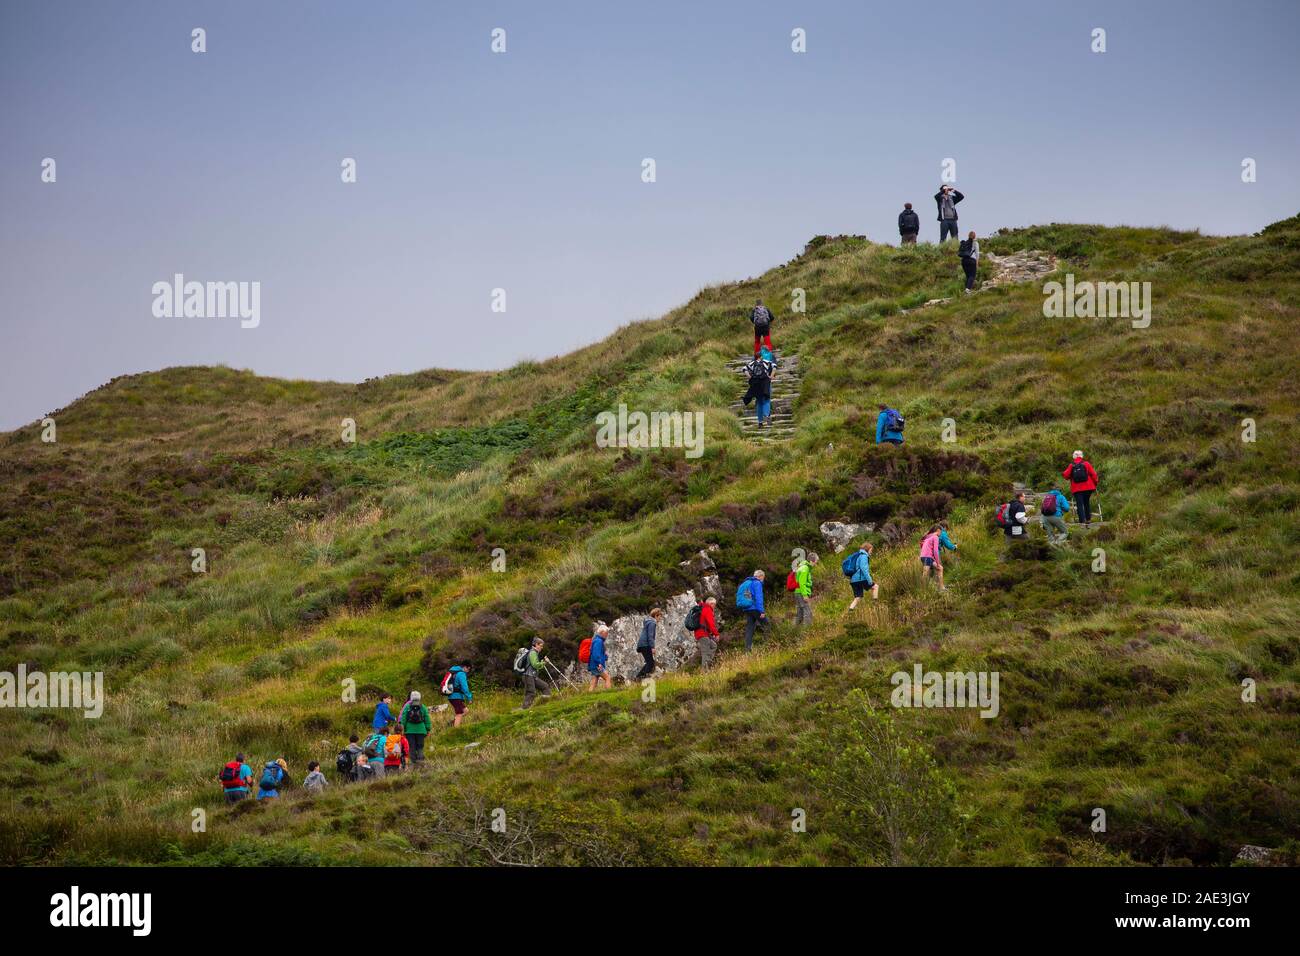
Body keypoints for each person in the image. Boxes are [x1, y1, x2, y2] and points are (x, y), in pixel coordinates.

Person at [1062, 451, 1100, 528]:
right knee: (1086, 503)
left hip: (1077, 489)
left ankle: (1082, 522)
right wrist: (1095, 483)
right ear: (1081, 456)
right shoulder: (1086, 464)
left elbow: (1065, 475)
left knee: (1079, 504)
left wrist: (1071, 476)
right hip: (1088, 487)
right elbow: (1094, 474)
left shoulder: (1071, 465)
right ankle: (1088, 520)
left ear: (1074, 457)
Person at [743, 349, 776, 428]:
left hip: (756, 384)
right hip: (765, 383)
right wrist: (771, 376)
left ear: (755, 357)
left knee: (759, 402)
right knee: (766, 399)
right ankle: (767, 415)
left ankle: (760, 422)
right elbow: (774, 367)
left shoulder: (751, 363)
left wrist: (749, 377)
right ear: (761, 356)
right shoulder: (766, 362)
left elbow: (744, 369)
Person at [737, 570, 768, 652]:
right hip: (754, 608)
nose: (763, 580)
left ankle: (747, 649)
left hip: (746, 608)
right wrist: (761, 611)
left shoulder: (746, 582)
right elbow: (759, 598)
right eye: (763, 578)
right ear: (761, 576)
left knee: (749, 628)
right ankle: (768, 644)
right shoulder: (757, 583)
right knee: (766, 625)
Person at [399, 691, 430, 764]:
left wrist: (403, 728)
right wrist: (428, 729)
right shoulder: (423, 707)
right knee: (420, 747)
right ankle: (420, 761)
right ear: (419, 697)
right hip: (421, 730)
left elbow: (403, 718)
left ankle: (413, 762)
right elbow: (427, 719)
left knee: (411, 747)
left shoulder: (407, 706)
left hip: (410, 731)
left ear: (411, 698)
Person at [846, 542, 879, 611]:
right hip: (861, 579)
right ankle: (875, 606)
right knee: (875, 586)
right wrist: (869, 580)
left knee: (858, 597)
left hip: (853, 580)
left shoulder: (858, 555)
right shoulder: (864, 556)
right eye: (871, 550)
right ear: (867, 549)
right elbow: (864, 569)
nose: (871, 551)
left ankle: (850, 611)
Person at [522, 637, 553, 708]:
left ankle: (545, 704)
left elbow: (536, 665)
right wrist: (544, 662)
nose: (542, 648)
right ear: (536, 644)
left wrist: (542, 662)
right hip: (528, 676)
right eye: (541, 646)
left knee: (545, 686)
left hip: (533, 676)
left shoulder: (535, 652)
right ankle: (525, 709)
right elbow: (535, 665)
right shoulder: (532, 652)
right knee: (531, 692)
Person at [694, 596, 720, 669]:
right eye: (714, 604)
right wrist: (716, 634)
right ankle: (705, 671)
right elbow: (711, 624)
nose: (714, 607)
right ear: (711, 603)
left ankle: (708, 664)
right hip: (703, 634)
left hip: (700, 633)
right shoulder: (707, 609)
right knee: (705, 652)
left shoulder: (701, 608)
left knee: (713, 646)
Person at [793, 553, 817, 626]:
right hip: (801, 592)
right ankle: (807, 630)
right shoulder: (805, 568)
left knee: (800, 612)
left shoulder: (802, 567)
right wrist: (805, 595)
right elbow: (802, 583)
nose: (816, 564)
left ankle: (795, 629)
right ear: (812, 561)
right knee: (807, 612)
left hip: (797, 592)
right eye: (816, 561)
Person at [919, 526, 946, 591]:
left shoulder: (928, 536)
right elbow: (935, 551)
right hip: (927, 557)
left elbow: (922, 545)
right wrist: (937, 562)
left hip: (924, 557)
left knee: (940, 568)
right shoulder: (935, 537)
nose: (941, 534)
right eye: (941, 532)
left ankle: (942, 587)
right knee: (925, 574)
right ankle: (922, 590)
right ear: (938, 530)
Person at [636, 609, 661, 678]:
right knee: (650, 663)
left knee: (649, 662)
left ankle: (638, 677)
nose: (660, 618)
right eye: (659, 616)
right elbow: (650, 636)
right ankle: (640, 678)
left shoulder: (648, 622)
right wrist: (652, 647)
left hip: (642, 645)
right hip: (645, 644)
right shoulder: (652, 623)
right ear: (656, 615)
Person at [586, 624, 611, 691]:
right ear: (602, 632)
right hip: (597, 665)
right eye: (606, 633)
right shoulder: (598, 641)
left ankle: (589, 695)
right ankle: (609, 692)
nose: (607, 634)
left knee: (594, 681)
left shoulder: (597, 640)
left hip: (594, 665)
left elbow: (597, 653)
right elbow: (596, 654)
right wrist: (599, 663)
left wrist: (605, 657)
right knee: (607, 677)